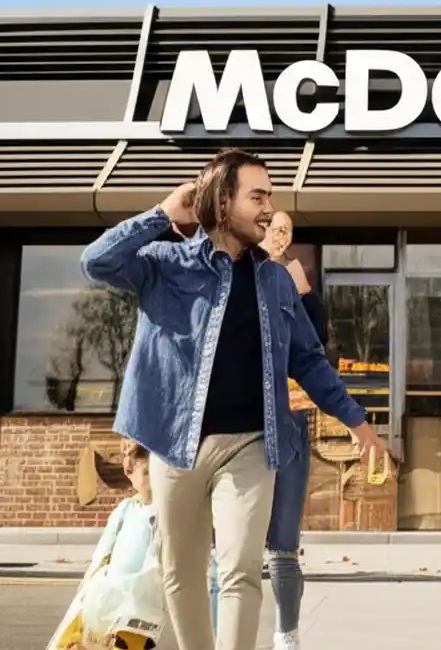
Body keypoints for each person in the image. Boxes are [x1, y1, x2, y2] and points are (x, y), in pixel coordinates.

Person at [80, 147, 387, 650]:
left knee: (241, 568)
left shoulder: (275, 280)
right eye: (258, 196)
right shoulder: (164, 264)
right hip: (174, 442)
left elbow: (309, 360)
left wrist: (358, 423)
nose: (269, 208)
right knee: (180, 568)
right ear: (222, 202)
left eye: (271, 195)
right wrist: (161, 214)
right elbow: (96, 262)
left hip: (251, 443)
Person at [206, 210, 331, 650]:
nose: (280, 237)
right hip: (236, 427)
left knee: (282, 545)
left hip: (289, 423)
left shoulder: (295, 285)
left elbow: (315, 350)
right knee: (226, 552)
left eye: (287, 232)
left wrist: (302, 294)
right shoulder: (228, 274)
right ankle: (221, 636)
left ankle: (286, 635)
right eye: (275, 228)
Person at [50, 439, 162, 650]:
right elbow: (97, 569)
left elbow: (152, 580)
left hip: (131, 627)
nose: (128, 465)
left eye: (137, 455)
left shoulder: (164, 515)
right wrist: (78, 629)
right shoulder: (125, 510)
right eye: (124, 456)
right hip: (95, 618)